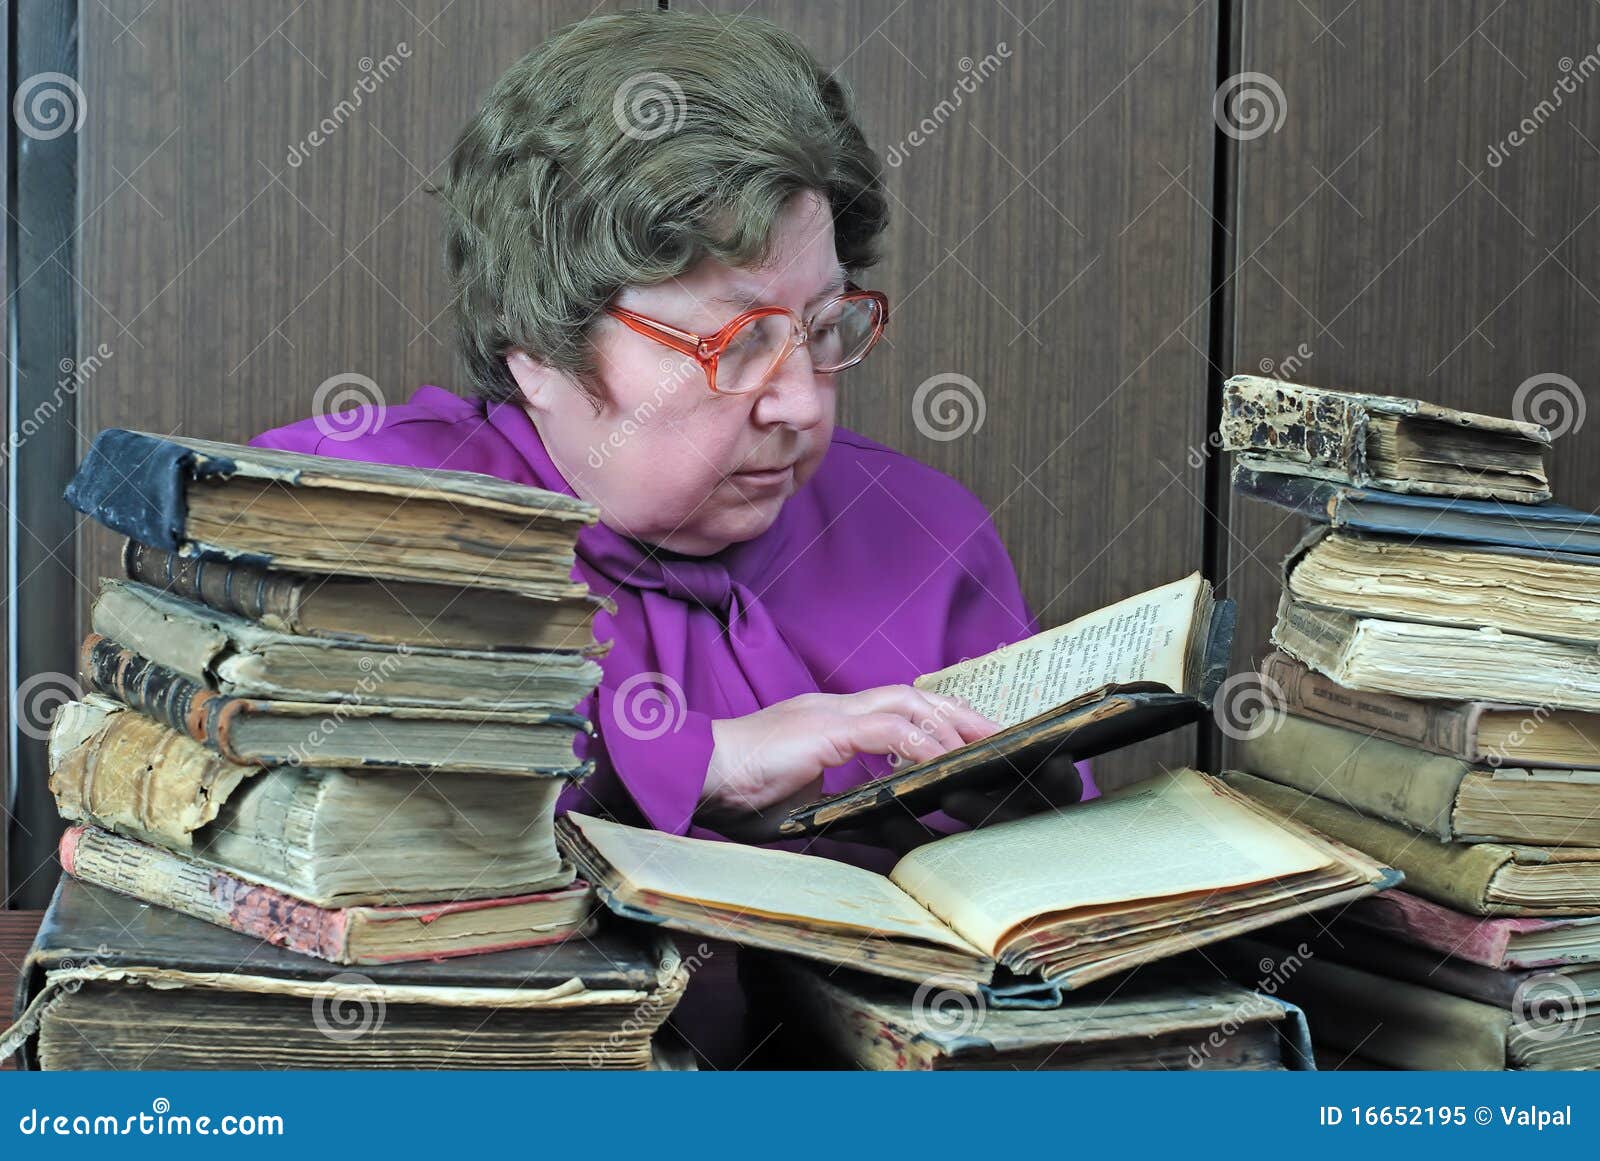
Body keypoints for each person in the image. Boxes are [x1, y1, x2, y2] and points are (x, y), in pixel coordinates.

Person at [252, 10, 1093, 873]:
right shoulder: (356, 511)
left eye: (823, 325)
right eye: (737, 344)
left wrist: (1028, 831)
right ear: (538, 343)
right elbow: (313, 816)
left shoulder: (926, 532)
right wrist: (702, 762)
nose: (800, 405)